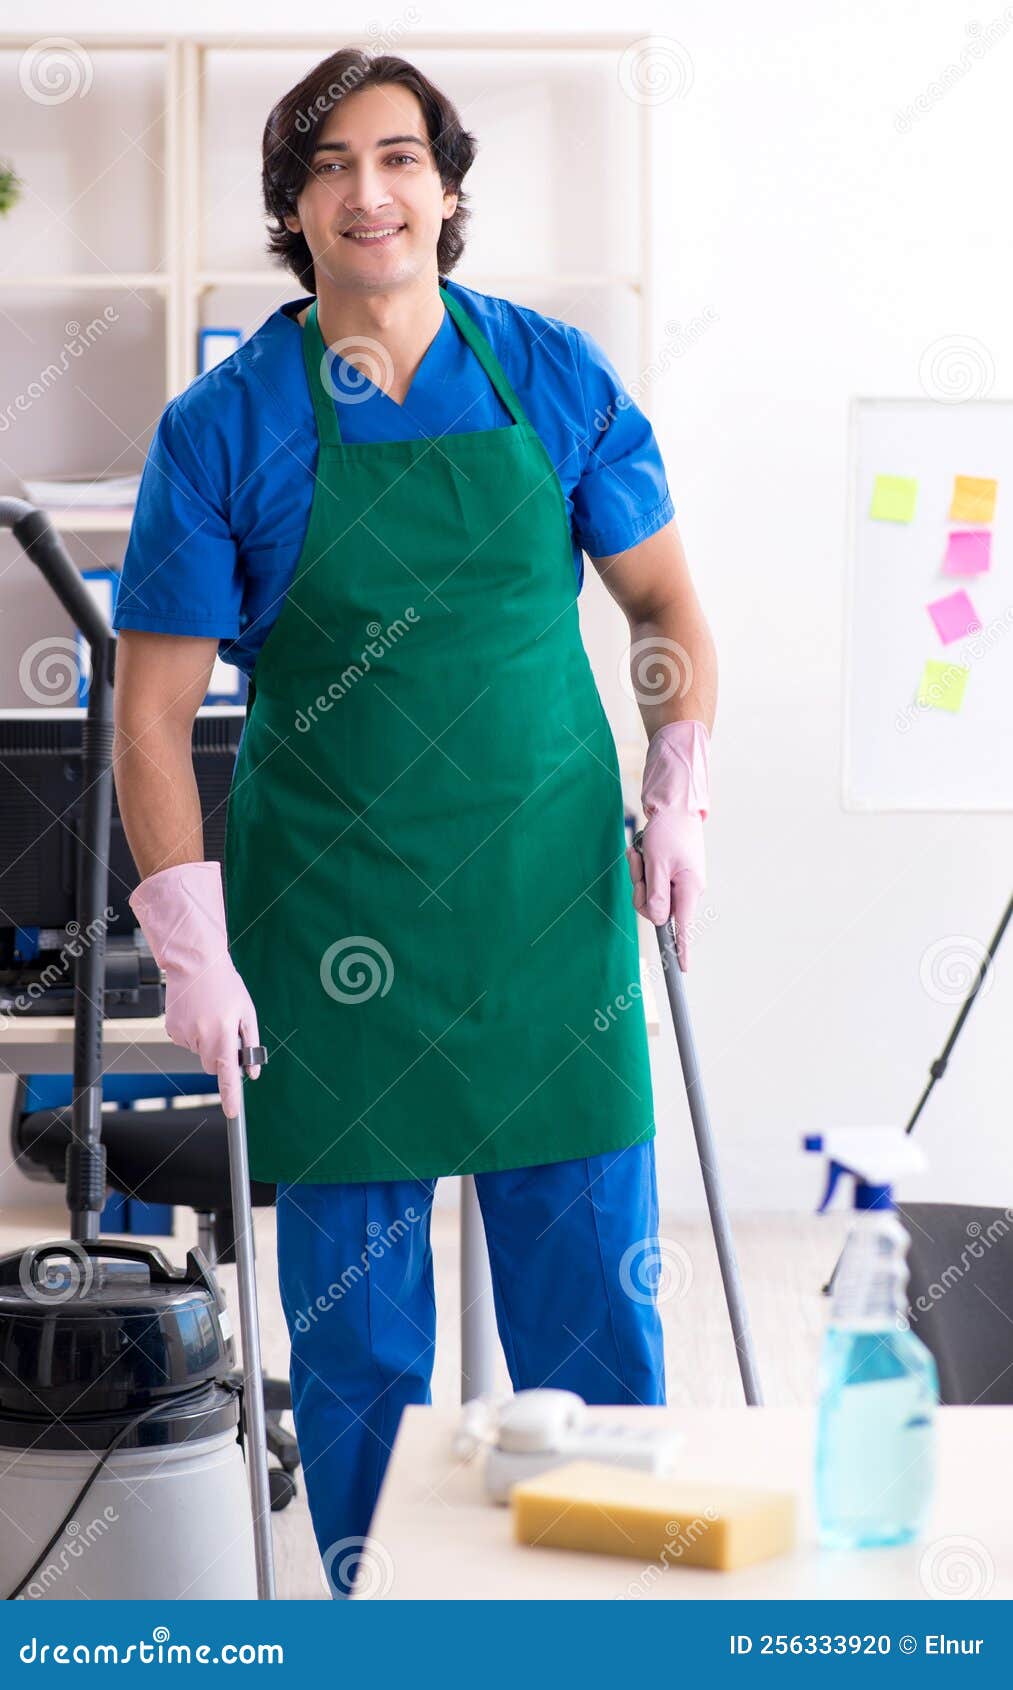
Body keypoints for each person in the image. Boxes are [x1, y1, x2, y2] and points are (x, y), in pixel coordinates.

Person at [111, 48, 716, 1598]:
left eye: (396, 159)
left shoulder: (552, 372)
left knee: (592, 1312)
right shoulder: (224, 425)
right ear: (290, 205)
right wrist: (190, 943)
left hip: (545, 911)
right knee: (357, 1342)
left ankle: (608, 1618)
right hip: (335, 921)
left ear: (446, 190)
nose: (364, 191)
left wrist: (679, 783)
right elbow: (152, 719)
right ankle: (377, 1621)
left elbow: (661, 611)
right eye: (326, 165)